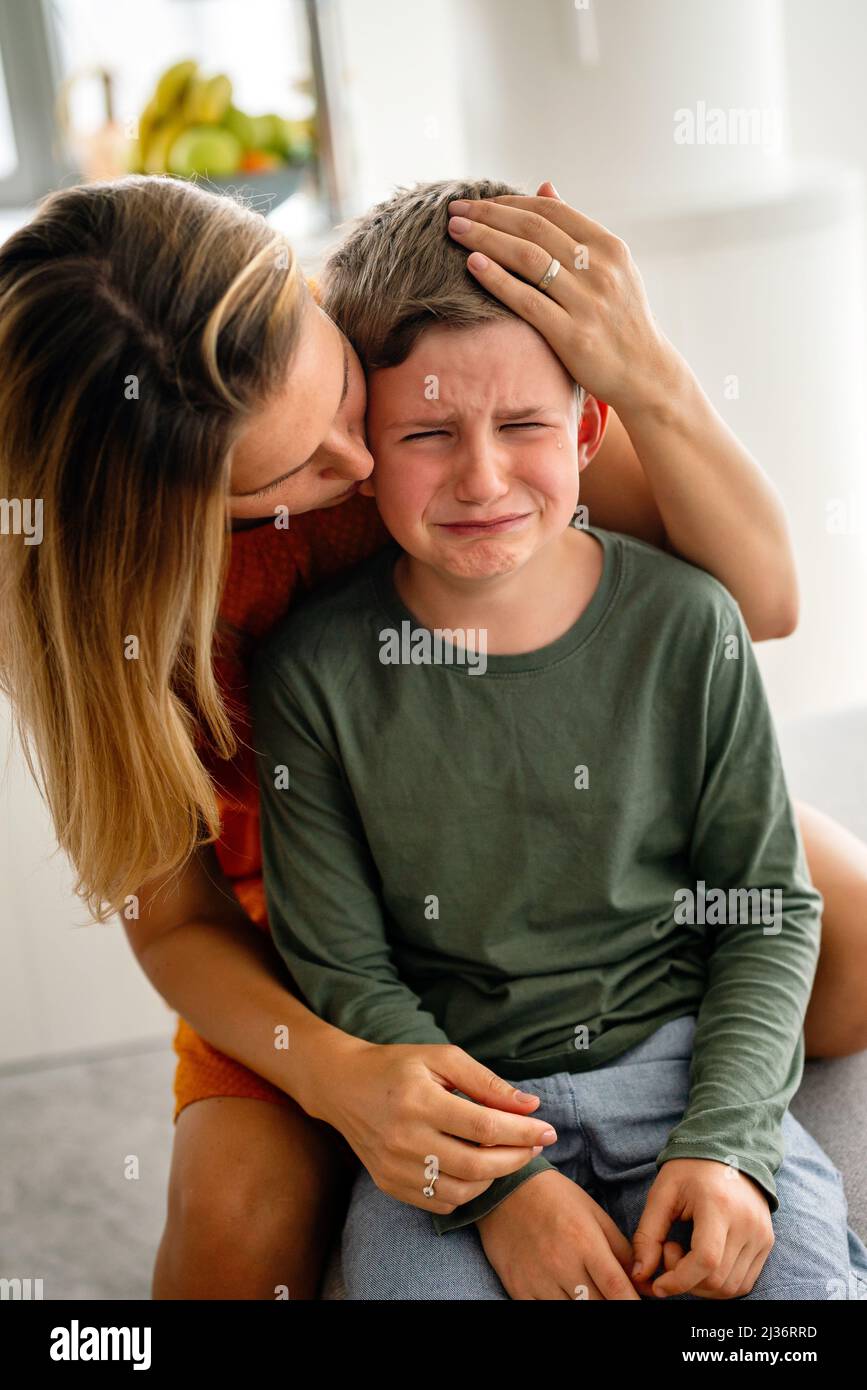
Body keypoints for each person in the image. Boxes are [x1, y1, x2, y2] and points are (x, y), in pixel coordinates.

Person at [0, 174, 864, 1301]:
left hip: (569, 816)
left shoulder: (442, 377)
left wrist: (648, 374)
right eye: (290, 473)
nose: (356, 468)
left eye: (343, 399)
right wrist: (344, 1076)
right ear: (164, 522)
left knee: (839, 942)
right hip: (310, 917)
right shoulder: (107, 613)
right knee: (233, 1243)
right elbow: (172, 923)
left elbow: (755, 604)